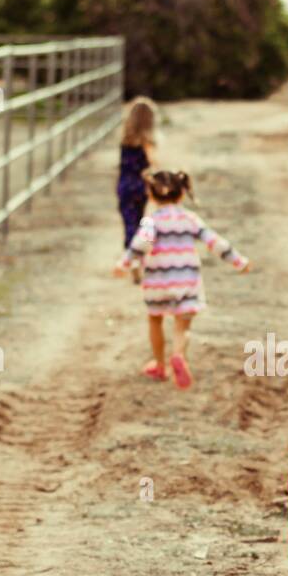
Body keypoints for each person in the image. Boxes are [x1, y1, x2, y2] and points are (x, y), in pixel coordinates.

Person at [128, 168, 249, 388]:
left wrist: (125, 263)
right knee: (182, 326)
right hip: (186, 282)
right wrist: (238, 261)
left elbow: (140, 245)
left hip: (157, 283)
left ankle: (159, 366)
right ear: (182, 194)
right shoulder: (189, 218)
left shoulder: (151, 221)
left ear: (152, 196)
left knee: (155, 320)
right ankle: (178, 355)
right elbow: (213, 240)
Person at [114, 97, 160, 276]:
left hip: (125, 187)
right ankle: (139, 259)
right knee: (143, 224)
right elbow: (151, 167)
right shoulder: (148, 144)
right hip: (142, 188)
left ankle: (131, 258)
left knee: (129, 224)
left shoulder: (125, 141)